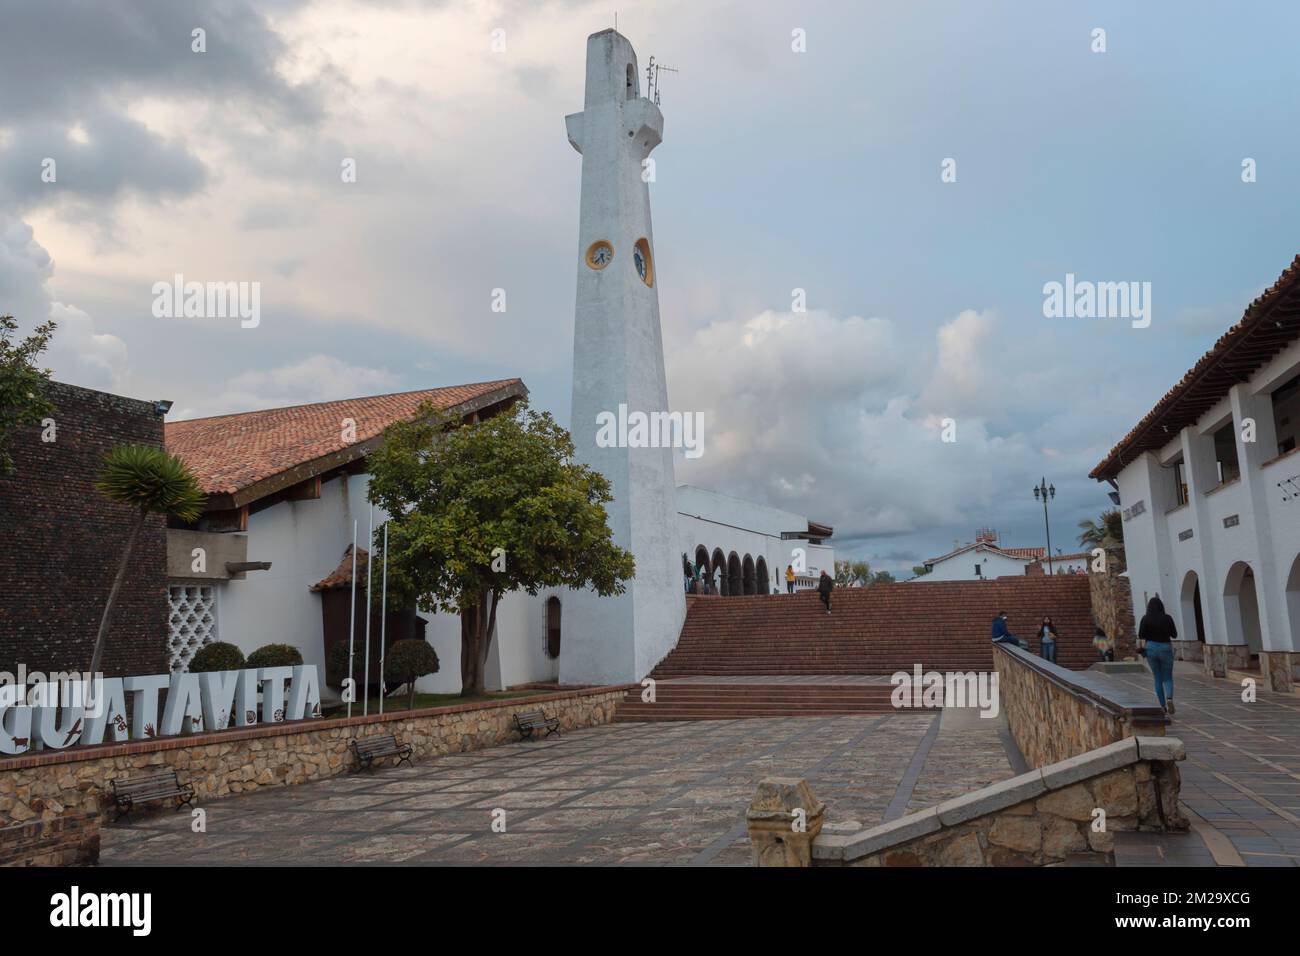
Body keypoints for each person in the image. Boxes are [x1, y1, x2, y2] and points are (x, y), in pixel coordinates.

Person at [1138, 595, 1178, 716]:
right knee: (1167, 677)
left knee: (1157, 678)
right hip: (1165, 648)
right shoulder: (1167, 618)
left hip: (1151, 648)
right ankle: (1169, 698)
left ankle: (1162, 706)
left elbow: (1141, 635)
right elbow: (1174, 634)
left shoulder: (1145, 619)